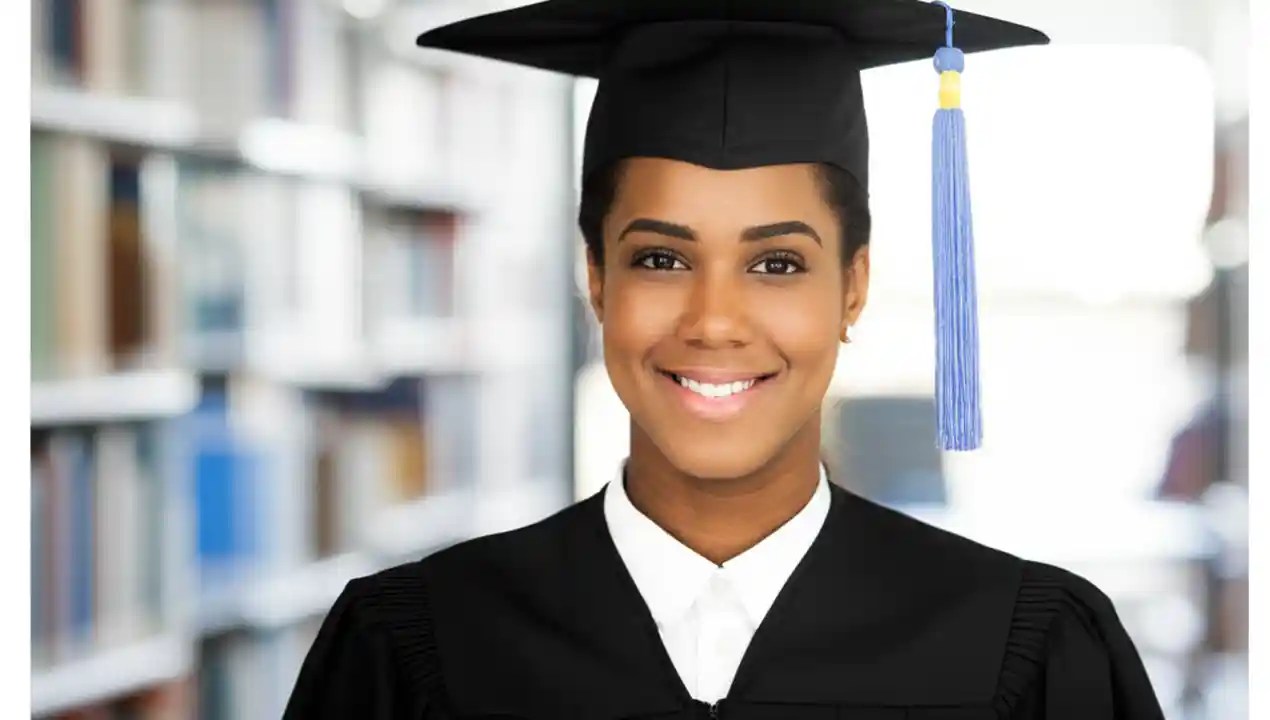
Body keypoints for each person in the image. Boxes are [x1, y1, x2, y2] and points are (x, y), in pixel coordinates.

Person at [283, 1, 1167, 718]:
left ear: (853, 286)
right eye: (659, 259)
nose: (713, 322)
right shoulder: (415, 649)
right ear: (595, 278)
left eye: (777, 263)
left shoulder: (1027, 650)